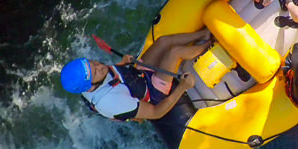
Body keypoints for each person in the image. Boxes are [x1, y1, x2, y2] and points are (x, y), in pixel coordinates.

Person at [59, 30, 209, 121]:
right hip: (153, 92)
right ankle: (209, 44)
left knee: (163, 42)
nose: (101, 66)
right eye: (96, 71)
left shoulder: (89, 83)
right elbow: (156, 113)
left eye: (94, 63)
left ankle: (204, 33)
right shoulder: (111, 101)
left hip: (136, 76)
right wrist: (182, 87)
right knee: (174, 53)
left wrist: (122, 64)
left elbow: (110, 78)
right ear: (90, 85)